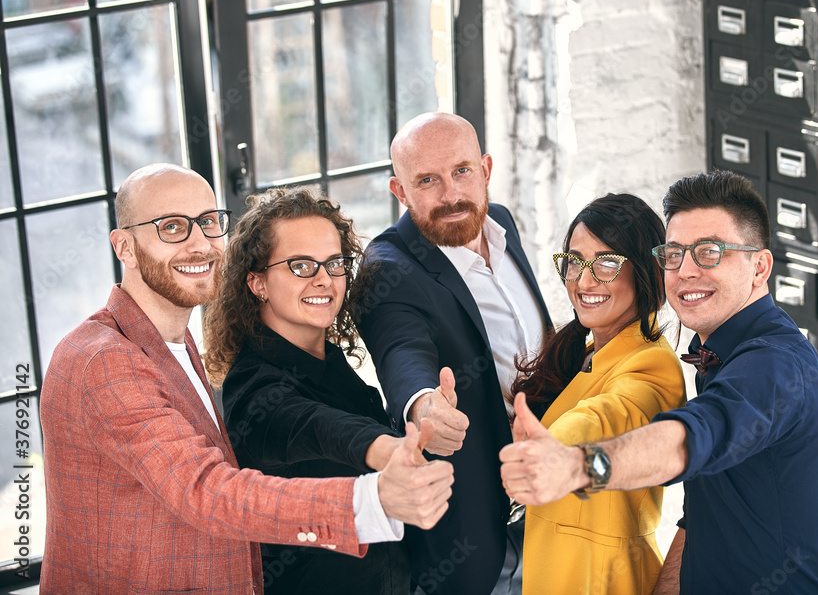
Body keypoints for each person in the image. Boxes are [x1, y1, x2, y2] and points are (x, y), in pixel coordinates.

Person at [40, 164, 453, 594]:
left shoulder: (175, 344)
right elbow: (205, 489)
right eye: (172, 227)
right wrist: (371, 499)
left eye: (208, 223)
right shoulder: (104, 359)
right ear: (124, 246)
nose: (199, 244)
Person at [500, 170, 818, 594]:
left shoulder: (774, 365)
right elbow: (704, 515)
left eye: (709, 252)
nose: (685, 271)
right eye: (675, 253)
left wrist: (577, 465)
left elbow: (688, 439)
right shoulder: (718, 356)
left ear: (760, 267)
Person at [356, 112, 551, 595]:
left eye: (462, 171)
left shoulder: (499, 220)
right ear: (399, 192)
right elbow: (401, 351)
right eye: (427, 180)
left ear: (485, 169)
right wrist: (423, 405)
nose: (451, 195)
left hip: (551, 495)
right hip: (478, 532)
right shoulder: (387, 269)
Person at [201, 187, 411, 594]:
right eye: (300, 265)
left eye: (334, 263)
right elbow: (314, 425)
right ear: (257, 282)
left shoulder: (326, 358)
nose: (323, 279)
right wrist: (384, 447)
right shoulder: (252, 387)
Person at [510, 193, 685, 595]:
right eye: (575, 261)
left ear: (643, 271)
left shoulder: (653, 365)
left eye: (607, 263)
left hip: (605, 582)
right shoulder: (586, 352)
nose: (584, 281)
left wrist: (555, 445)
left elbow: (607, 416)